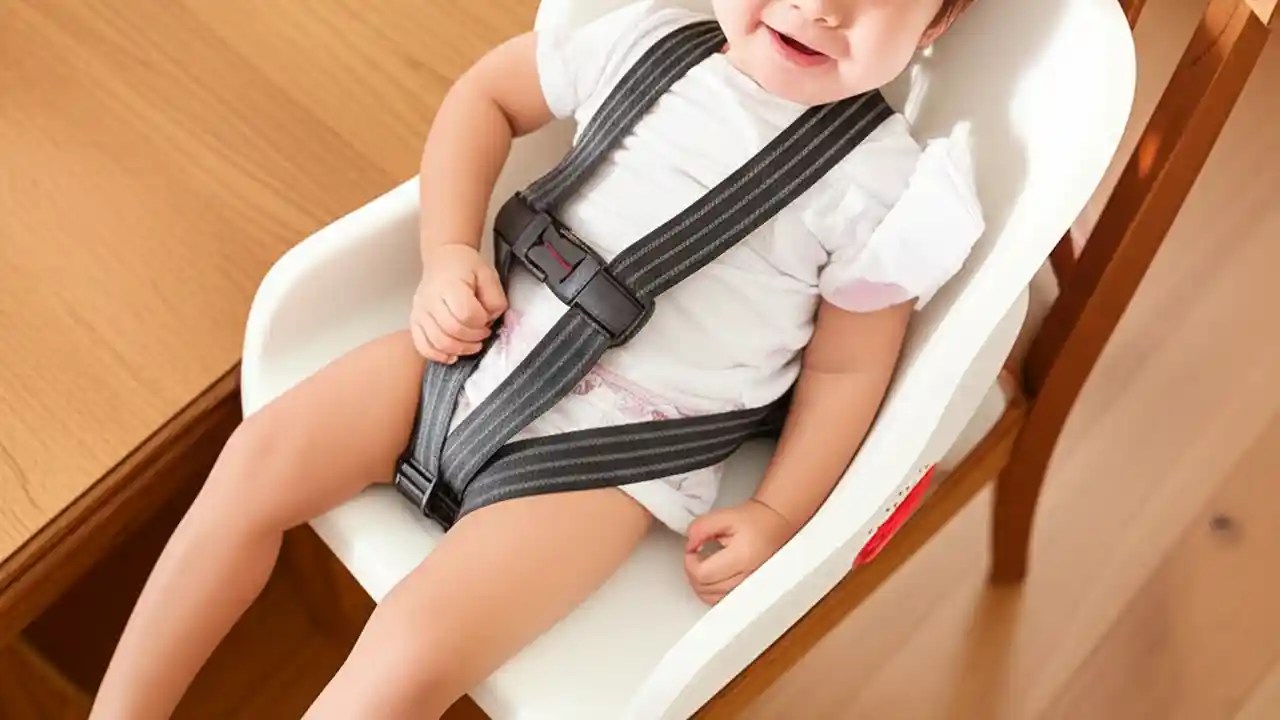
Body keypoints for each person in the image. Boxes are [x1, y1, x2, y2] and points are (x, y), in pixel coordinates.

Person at [91, 0, 983, 717]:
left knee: (411, 652)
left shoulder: (884, 189)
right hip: (477, 343)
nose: (821, 8)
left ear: (936, 23)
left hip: (612, 460)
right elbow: (484, 98)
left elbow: (846, 370)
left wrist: (781, 512)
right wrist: (448, 250)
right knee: (251, 463)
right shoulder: (647, 34)